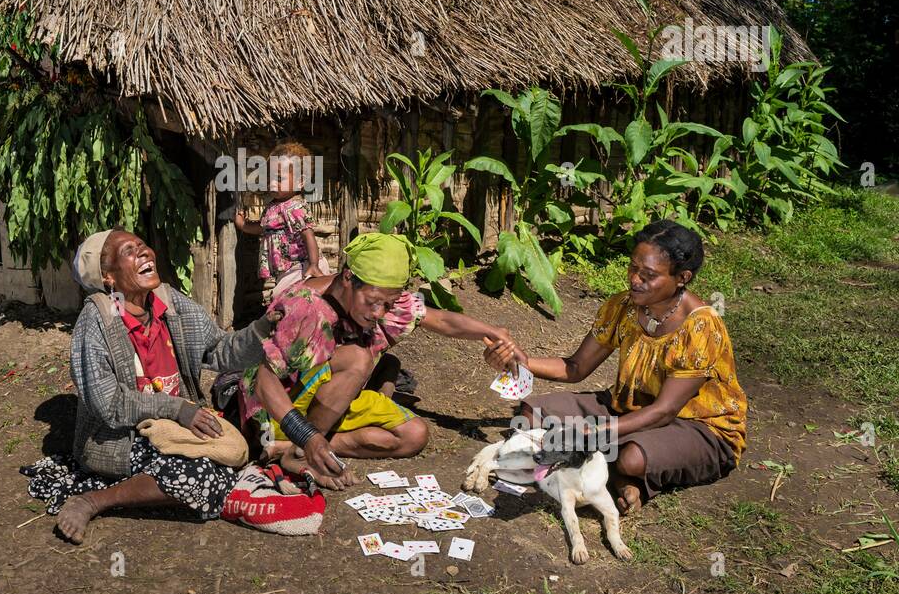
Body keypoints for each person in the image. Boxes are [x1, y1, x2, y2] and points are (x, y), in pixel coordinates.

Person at [21, 229, 277, 543]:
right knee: (203, 476)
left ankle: (156, 481)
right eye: (129, 251)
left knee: (230, 457)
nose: (144, 252)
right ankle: (94, 500)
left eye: (143, 245)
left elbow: (219, 351)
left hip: (172, 427)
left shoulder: (168, 303)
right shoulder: (98, 319)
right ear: (109, 277)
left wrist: (263, 328)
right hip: (118, 438)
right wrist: (177, 408)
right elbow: (109, 404)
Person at [484, 220, 746, 514]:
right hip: (627, 409)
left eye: (648, 275)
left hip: (698, 427)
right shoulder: (624, 306)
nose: (635, 279)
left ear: (682, 277)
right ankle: (611, 472)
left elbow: (665, 411)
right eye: (633, 268)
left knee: (631, 458)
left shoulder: (700, 326)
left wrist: (596, 431)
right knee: (532, 412)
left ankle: (625, 474)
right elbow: (575, 368)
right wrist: (523, 361)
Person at [236, 231, 517, 488]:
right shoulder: (306, 307)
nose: (380, 313)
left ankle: (290, 449)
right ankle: (302, 449)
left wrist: (495, 334)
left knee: (414, 435)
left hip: (323, 401)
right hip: (275, 411)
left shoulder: (377, 299)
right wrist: (306, 434)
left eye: (389, 304)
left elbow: (441, 320)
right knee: (359, 359)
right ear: (347, 278)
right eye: (374, 302)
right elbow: (263, 381)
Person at [234, 141, 329, 299]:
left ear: (300, 182)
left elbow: (308, 235)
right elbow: (264, 227)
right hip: (287, 270)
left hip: (302, 267)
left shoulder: (295, 208)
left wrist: (313, 265)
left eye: (279, 178)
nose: (272, 182)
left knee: (282, 299)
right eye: (270, 177)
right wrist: (243, 225)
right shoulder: (274, 206)